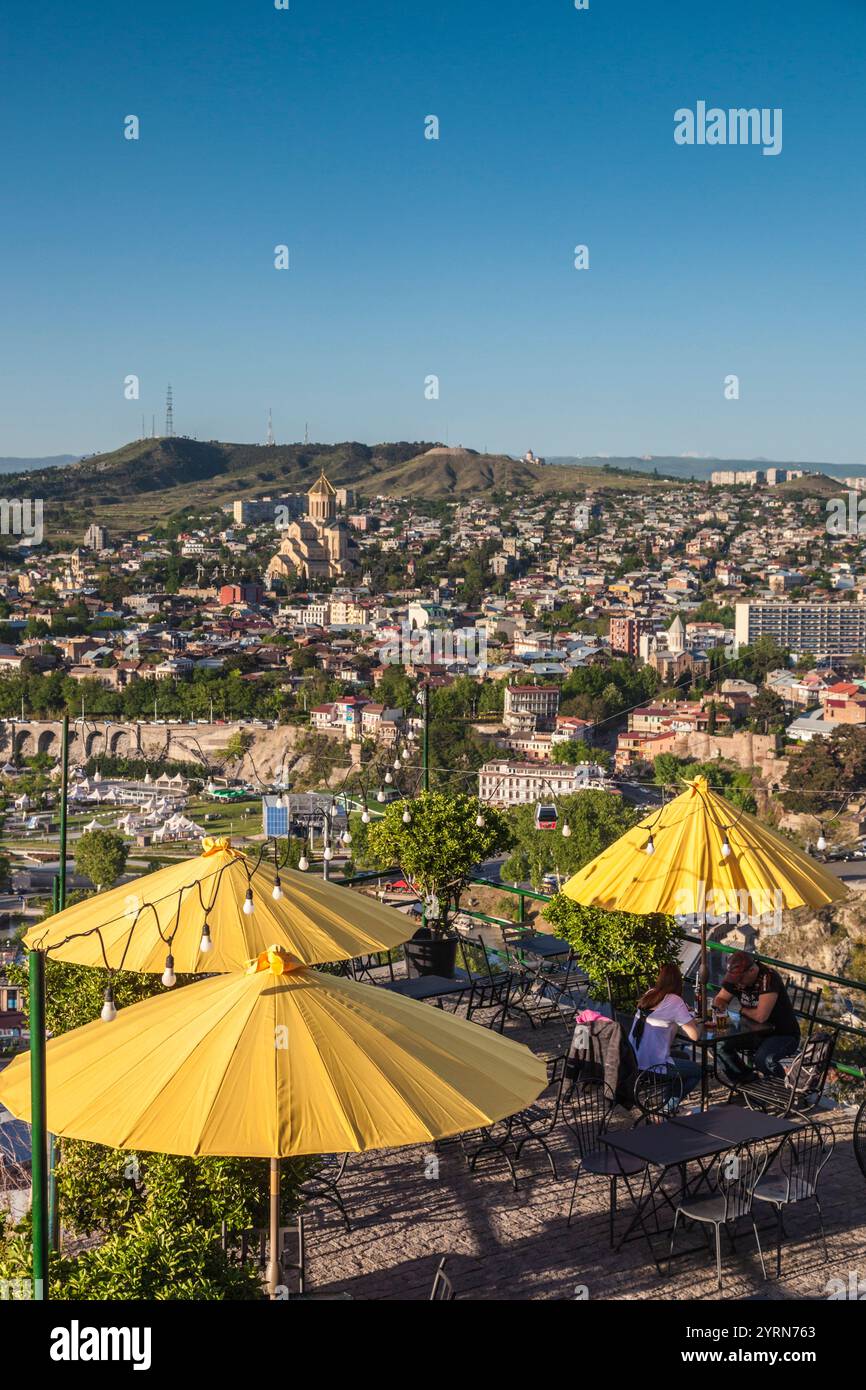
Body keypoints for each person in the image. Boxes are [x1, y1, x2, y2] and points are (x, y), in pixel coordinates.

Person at [713, 950, 800, 1084]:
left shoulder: (768, 978)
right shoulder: (736, 977)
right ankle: (746, 1080)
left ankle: (790, 1085)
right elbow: (720, 998)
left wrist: (739, 1009)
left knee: (763, 1060)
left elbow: (761, 1016)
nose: (739, 983)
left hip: (781, 1034)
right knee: (719, 1045)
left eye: (741, 979)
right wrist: (721, 1004)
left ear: (752, 971)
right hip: (753, 1032)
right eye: (736, 980)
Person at [628, 964, 702, 1100]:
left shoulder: (650, 994)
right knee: (697, 1071)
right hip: (653, 1065)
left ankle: (666, 1101)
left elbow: (662, 1018)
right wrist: (692, 1022)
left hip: (633, 1061)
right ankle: (667, 1107)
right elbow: (695, 1036)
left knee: (683, 1056)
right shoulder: (675, 1000)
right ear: (678, 982)